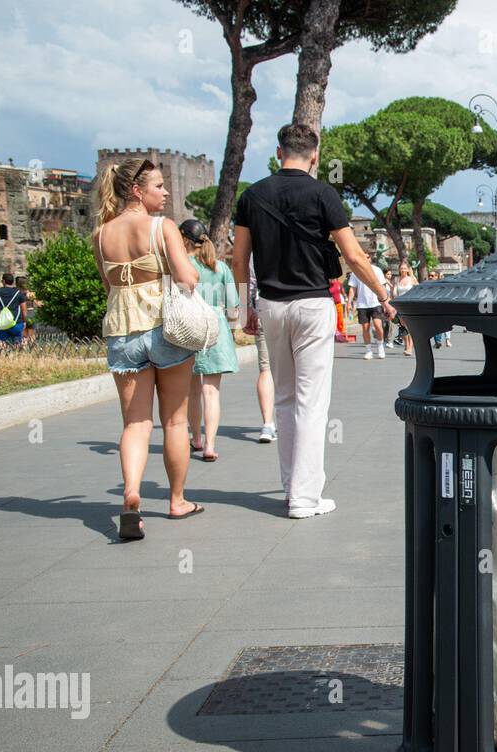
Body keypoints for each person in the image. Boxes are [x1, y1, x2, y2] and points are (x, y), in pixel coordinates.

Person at [232, 122, 394, 519]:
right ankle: (305, 498)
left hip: (270, 304)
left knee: (285, 398)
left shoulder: (251, 196)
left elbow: (238, 259)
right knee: (312, 402)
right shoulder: (323, 194)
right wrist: (384, 294)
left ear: (277, 152)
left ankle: (292, 487)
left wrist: (243, 308)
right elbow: (354, 257)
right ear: (315, 156)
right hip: (312, 305)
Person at [91, 156, 204, 540]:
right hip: (165, 329)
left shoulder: (101, 234)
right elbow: (187, 277)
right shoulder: (162, 227)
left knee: (136, 423)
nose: (166, 191)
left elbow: (110, 289)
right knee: (174, 420)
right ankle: (176, 500)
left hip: (122, 331)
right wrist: (187, 268)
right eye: (159, 186)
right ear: (137, 191)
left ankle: (131, 493)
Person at [180, 219, 239, 463]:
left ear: (184, 239)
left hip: (188, 328)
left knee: (192, 391)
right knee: (211, 392)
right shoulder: (221, 268)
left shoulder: (180, 266)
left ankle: (195, 438)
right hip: (216, 328)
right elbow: (234, 307)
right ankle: (210, 445)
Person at [246, 252, 276, 443]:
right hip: (300, 309)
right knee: (296, 369)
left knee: (265, 369)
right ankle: (294, 421)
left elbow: (246, 277)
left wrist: (244, 313)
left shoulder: (257, 243)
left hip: (265, 308)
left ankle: (267, 424)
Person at [349, 260, 387, 360]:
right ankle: (369, 351)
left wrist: (385, 302)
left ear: (370, 258)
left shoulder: (377, 270)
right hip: (362, 304)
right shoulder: (355, 271)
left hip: (376, 302)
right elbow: (353, 288)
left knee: (378, 326)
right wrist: (349, 302)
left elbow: (382, 286)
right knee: (365, 328)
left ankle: (380, 346)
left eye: (367, 256)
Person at [0, 272, 27, 348]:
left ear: (3, 281)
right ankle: (17, 354)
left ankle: (3, 356)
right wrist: (24, 321)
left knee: (1, 342)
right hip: (16, 323)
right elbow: (24, 310)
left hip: (1, 324)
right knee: (17, 341)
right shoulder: (19, 293)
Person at [393, 262, 417, 354]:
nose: (403, 270)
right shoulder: (397, 279)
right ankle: (407, 344)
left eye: (404, 268)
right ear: (399, 269)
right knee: (403, 326)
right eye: (401, 268)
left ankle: (410, 347)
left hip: (410, 305)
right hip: (400, 305)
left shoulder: (412, 279)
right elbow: (394, 293)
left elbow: (418, 290)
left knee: (409, 326)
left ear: (407, 269)